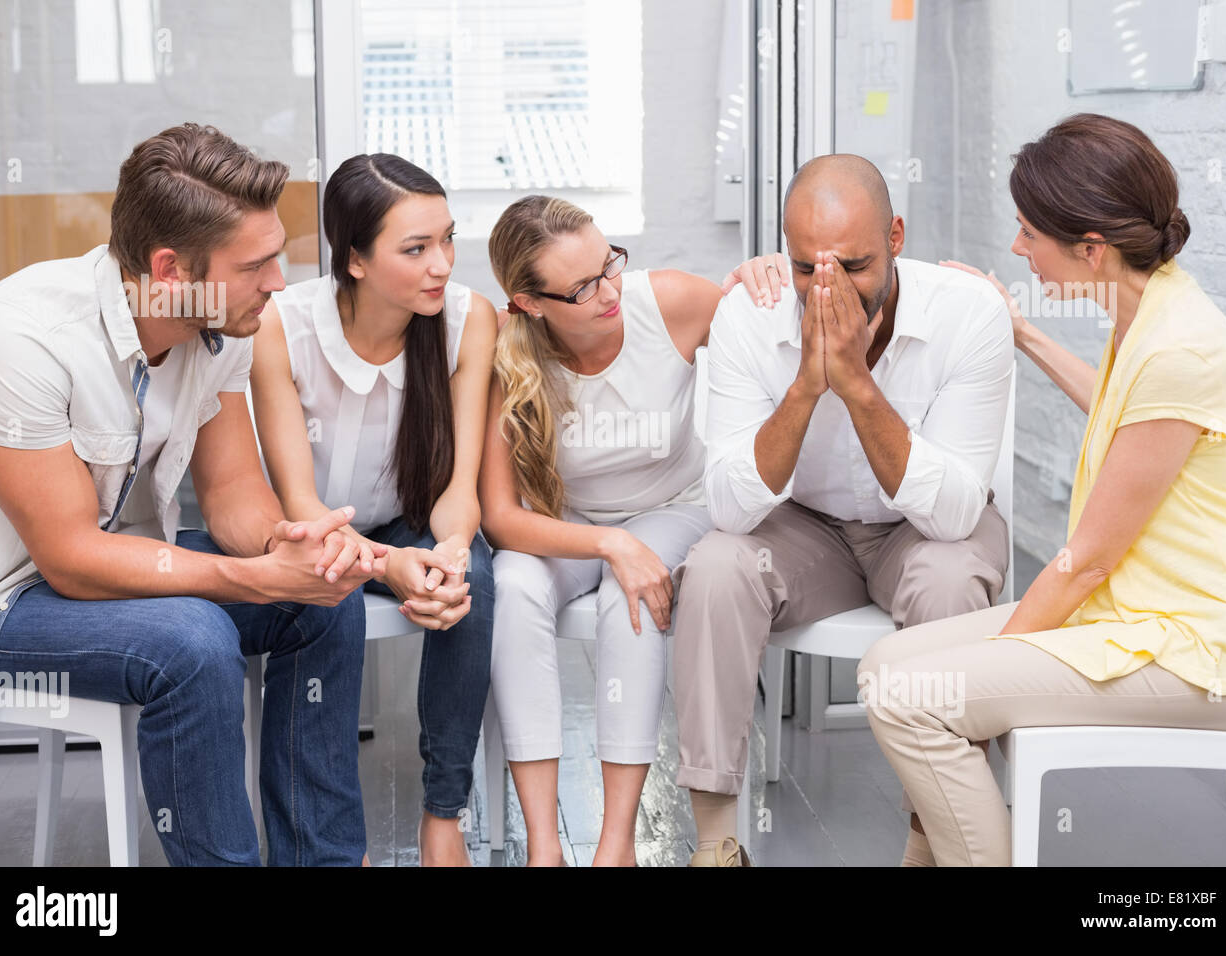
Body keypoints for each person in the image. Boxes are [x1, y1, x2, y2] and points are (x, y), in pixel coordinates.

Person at [859, 112, 1226, 866]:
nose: (1018, 249)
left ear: (1090, 248)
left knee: (920, 697)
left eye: (1028, 233)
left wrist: (984, 685)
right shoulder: (1154, 305)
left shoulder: (1179, 348)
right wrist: (1025, 332)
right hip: (1145, 618)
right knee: (886, 669)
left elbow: (1085, 563)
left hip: (1207, 650)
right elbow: (1126, 419)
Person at [0, 123, 377, 865]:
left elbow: (232, 499)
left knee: (322, 599)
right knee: (191, 639)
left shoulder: (222, 320)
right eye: (257, 264)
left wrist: (288, 550)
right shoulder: (17, 337)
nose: (280, 282)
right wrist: (244, 577)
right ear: (171, 268)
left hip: (112, 560)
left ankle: (324, 860)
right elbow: (69, 559)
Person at [672, 154, 1015, 866]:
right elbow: (732, 507)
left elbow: (952, 513)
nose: (826, 287)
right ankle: (715, 844)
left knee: (951, 583)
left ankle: (931, 839)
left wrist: (857, 385)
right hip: (805, 531)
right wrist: (805, 386)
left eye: (853, 264)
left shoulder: (966, 313)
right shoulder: (748, 313)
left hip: (922, 533)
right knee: (715, 566)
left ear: (896, 235)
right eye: (806, 267)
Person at [250, 153, 498, 866]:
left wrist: (447, 557)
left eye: (447, 240)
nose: (442, 265)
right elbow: (300, 505)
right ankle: (326, 848)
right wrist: (388, 568)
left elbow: (458, 490)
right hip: (311, 531)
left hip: (412, 514)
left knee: (472, 581)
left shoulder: (466, 318)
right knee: (327, 595)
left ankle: (444, 812)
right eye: (416, 249)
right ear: (353, 259)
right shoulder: (282, 325)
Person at [479, 195, 731, 866]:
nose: (607, 291)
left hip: (674, 504)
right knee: (512, 586)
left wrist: (763, 277)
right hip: (567, 519)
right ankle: (543, 846)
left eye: (608, 265)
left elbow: (770, 337)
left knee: (632, 601)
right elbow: (502, 518)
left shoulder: (671, 302)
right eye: (582, 286)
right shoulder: (509, 353)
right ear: (531, 302)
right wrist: (610, 543)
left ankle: (615, 842)